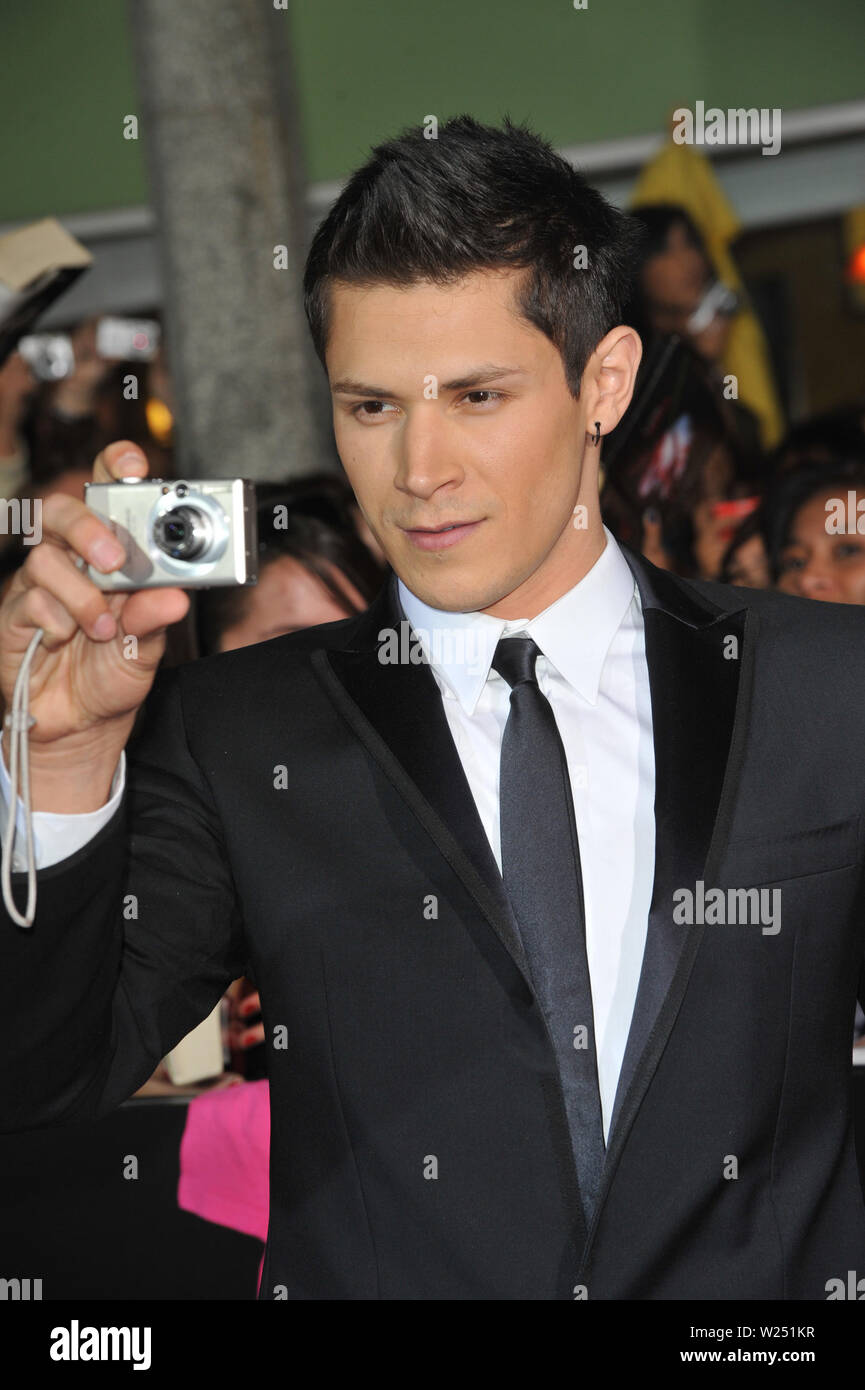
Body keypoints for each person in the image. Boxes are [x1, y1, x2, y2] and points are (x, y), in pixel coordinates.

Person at [2, 115, 865, 1301]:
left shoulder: (829, 683)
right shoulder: (241, 732)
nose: (419, 467)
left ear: (601, 382)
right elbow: (36, 1082)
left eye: (476, 394)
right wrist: (57, 768)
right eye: (370, 407)